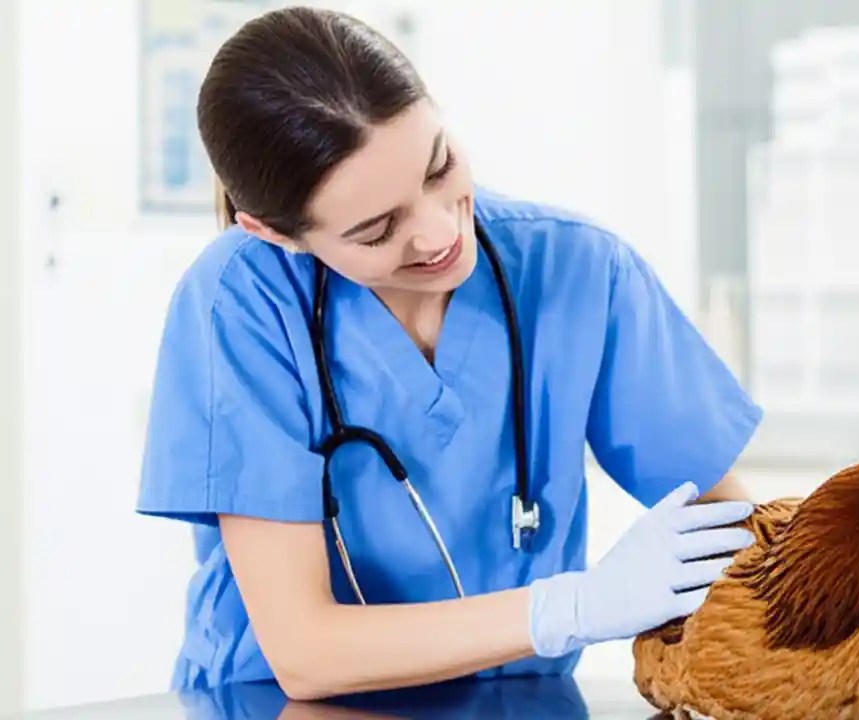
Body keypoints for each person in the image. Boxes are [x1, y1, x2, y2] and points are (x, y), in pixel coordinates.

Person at [135, 5, 763, 702]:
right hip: (284, 708)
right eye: (377, 230)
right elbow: (304, 651)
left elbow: (732, 528)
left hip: (521, 704)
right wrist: (570, 607)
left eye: (439, 168)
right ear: (274, 232)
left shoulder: (576, 268)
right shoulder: (242, 304)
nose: (438, 234)